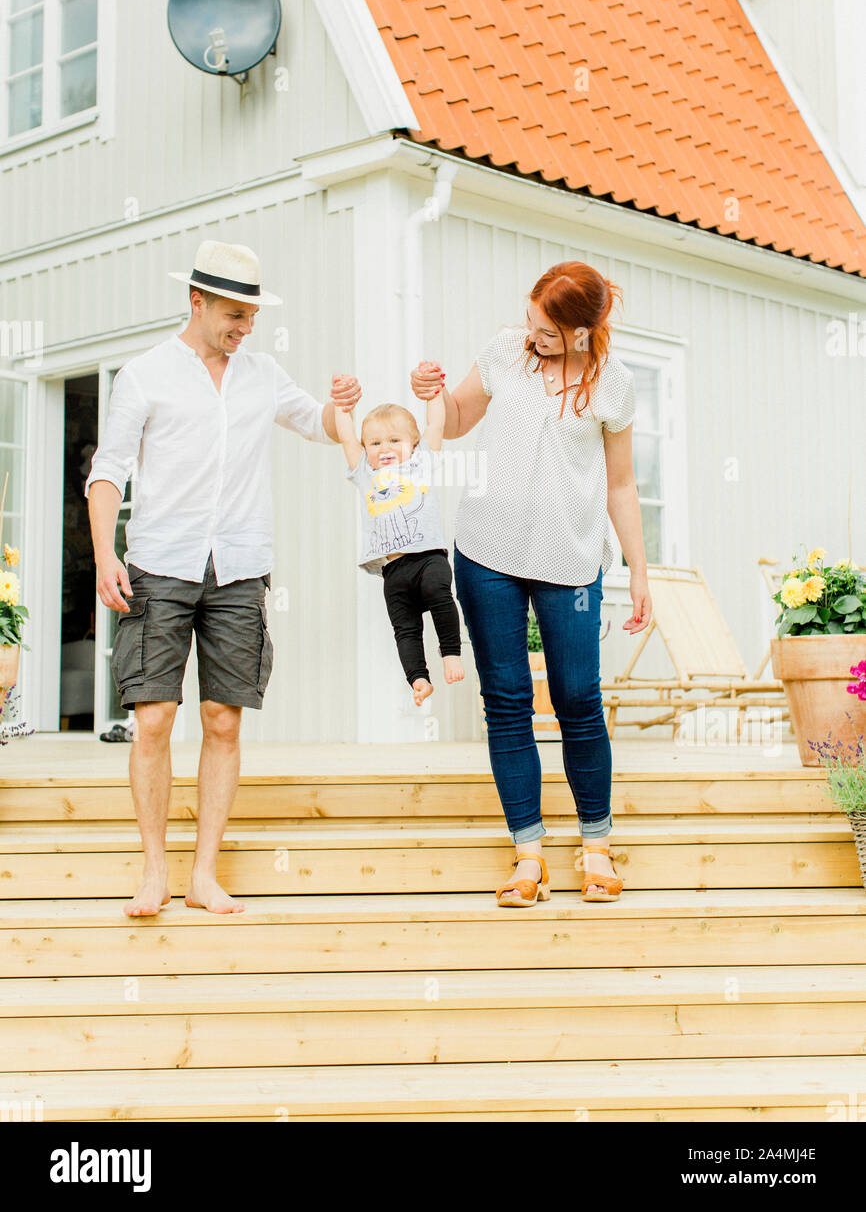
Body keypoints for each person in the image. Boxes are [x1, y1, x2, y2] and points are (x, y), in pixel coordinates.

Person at [86, 240, 360, 917]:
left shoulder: (261, 374)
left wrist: (343, 405)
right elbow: (108, 471)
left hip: (237, 567)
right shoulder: (144, 374)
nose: (245, 328)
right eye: (235, 315)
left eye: (252, 317)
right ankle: (155, 871)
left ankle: (203, 875)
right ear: (196, 301)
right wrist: (104, 555)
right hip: (158, 563)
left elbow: (319, 424)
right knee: (152, 719)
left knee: (223, 719)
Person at [410, 261, 651, 906]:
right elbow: (457, 418)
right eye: (531, 319)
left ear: (582, 331)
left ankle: (595, 845)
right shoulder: (504, 354)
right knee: (508, 701)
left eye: (547, 330)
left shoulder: (614, 387)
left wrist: (639, 569)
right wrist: (430, 391)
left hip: (572, 558)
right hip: (488, 550)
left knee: (578, 697)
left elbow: (622, 485)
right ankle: (528, 852)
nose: (532, 334)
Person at [334, 385, 464, 705]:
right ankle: (418, 679)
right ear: (366, 449)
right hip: (393, 569)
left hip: (429, 557)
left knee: (439, 595)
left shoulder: (422, 463)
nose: (385, 448)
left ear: (413, 443)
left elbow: (435, 425)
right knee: (405, 627)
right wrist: (341, 406)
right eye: (375, 443)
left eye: (395, 440)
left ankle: (450, 653)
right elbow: (347, 438)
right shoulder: (365, 473)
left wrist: (433, 393)